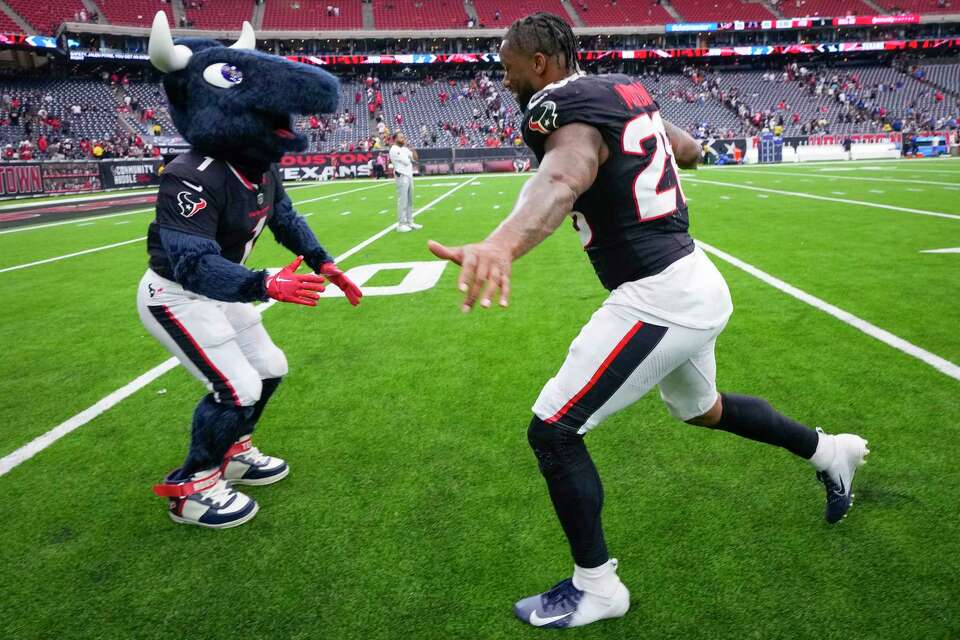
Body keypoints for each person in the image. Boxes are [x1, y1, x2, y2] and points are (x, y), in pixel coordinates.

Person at [428, 12, 869, 629]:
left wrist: (502, 243)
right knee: (702, 409)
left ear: (539, 64)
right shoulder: (620, 91)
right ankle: (831, 451)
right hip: (691, 277)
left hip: (658, 293)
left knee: (553, 430)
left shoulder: (558, 107)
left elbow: (561, 177)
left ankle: (598, 587)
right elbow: (686, 148)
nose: (504, 81)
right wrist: (695, 155)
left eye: (508, 68)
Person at [137, 12, 363, 529]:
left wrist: (324, 262)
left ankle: (234, 452)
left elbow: (284, 218)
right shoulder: (190, 175)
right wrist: (263, 283)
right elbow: (191, 263)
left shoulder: (259, 164)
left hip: (225, 292)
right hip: (175, 295)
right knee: (236, 387)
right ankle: (193, 485)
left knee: (270, 368)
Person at [389, 132, 419, 232]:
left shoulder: (405, 149)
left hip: (409, 175)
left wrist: (412, 149)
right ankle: (401, 224)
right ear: (395, 139)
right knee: (403, 200)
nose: (403, 139)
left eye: (403, 137)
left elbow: (415, 158)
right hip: (401, 175)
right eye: (401, 137)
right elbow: (406, 161)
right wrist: (408, 156)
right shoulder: (394, 149)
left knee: (410, 200)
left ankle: (410, 221)